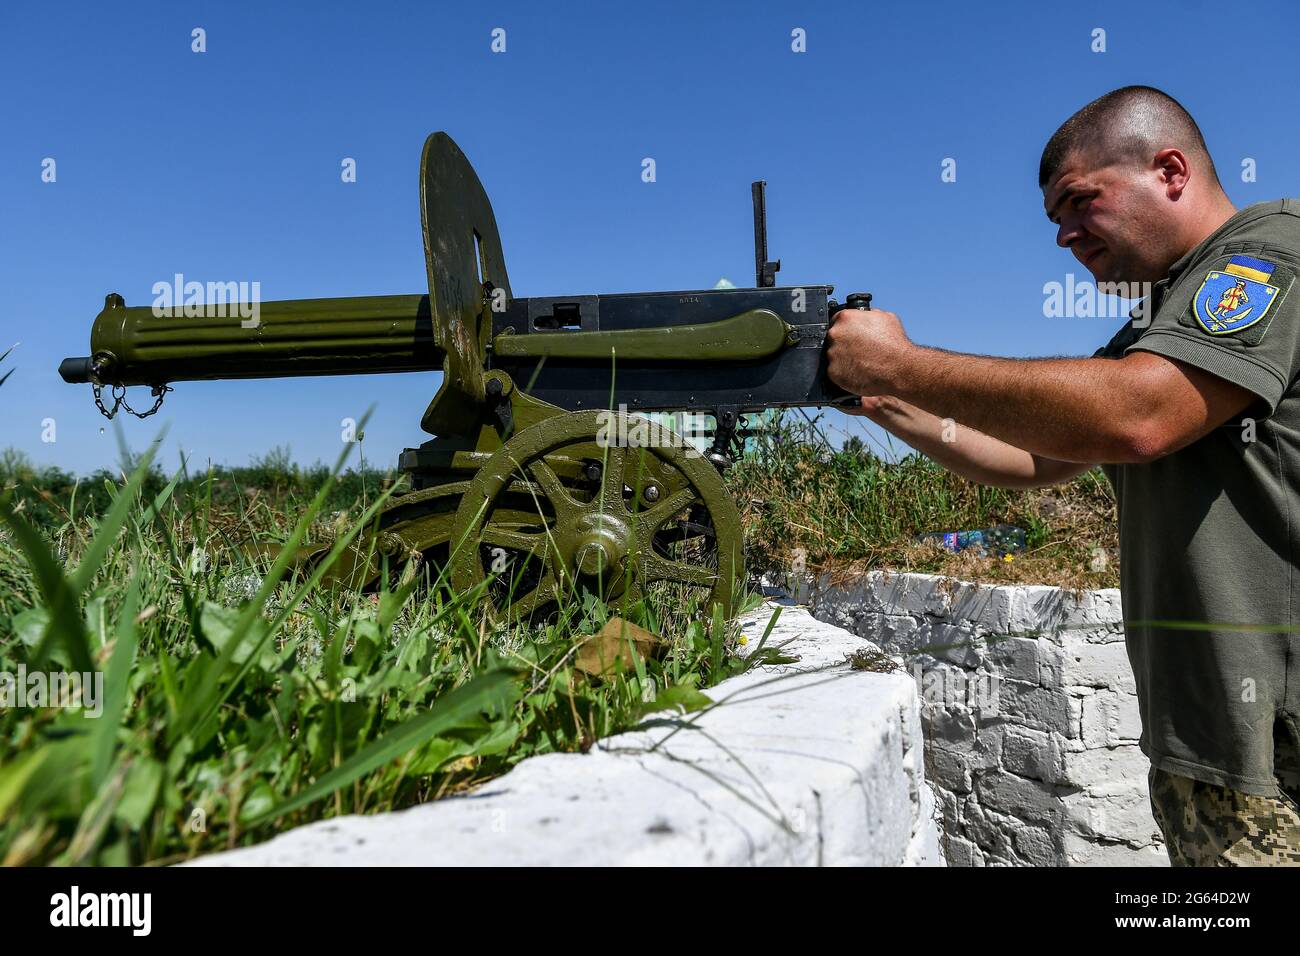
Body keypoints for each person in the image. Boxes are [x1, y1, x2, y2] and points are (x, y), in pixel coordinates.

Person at [826, 85, 1300, 866]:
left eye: (1081, 203)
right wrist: (887, 398)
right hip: (1213, 740)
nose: (1065, 237)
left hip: (1277, 748)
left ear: (1171, 170)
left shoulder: (1268, 255)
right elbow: (1038, 458)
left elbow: (1139, 417)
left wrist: (906, 360)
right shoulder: (1155, 324)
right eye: (1055, 221)